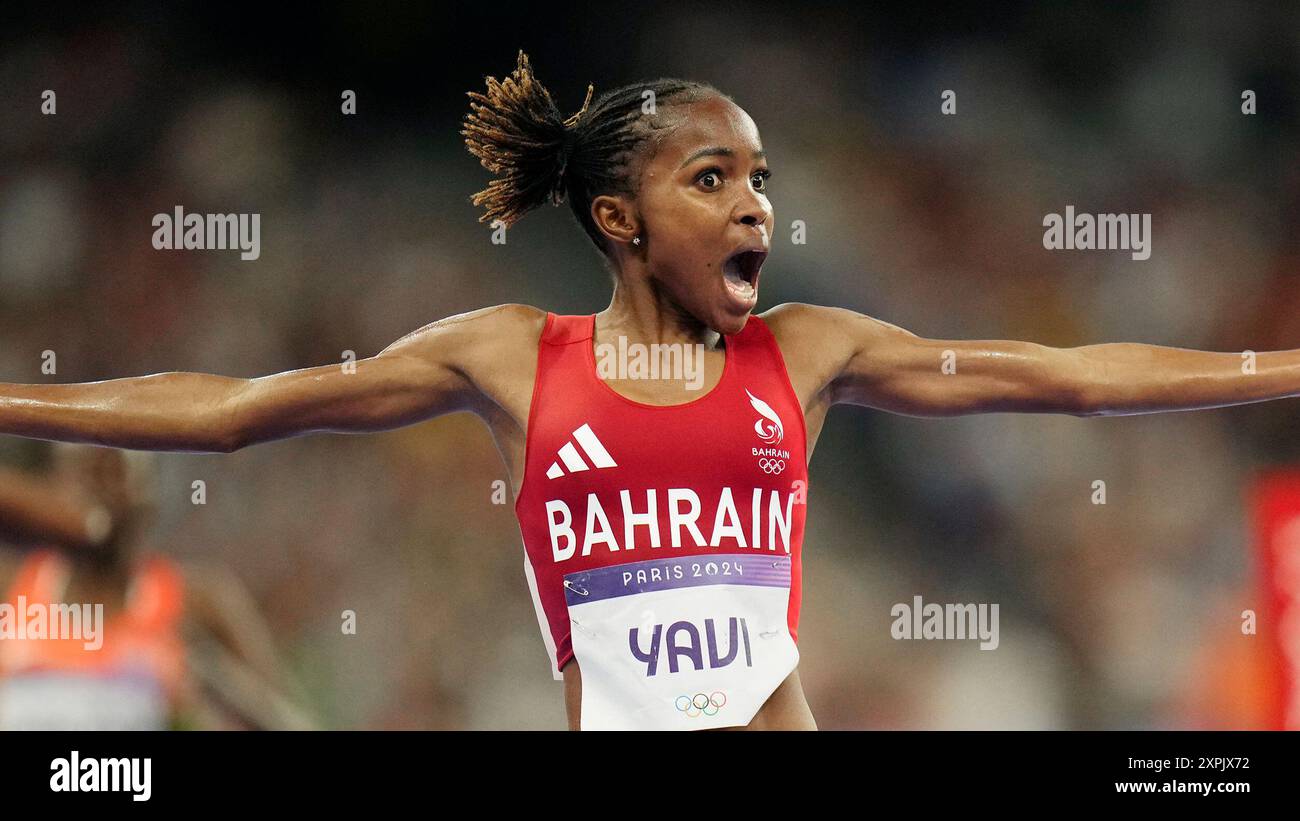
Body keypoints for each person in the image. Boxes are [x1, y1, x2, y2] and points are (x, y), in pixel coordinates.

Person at [3, 50, 1299, 730]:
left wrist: (1284, 368)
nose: (757, 208)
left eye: (761, 180)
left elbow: (1071, 381)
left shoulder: (806, 352)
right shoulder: (514, 356)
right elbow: (234, 409)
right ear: (619, 218)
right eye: (713, 180)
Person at [0, 445, 316, 730]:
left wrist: (219, 685)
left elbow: (291, 724)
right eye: (84, 477)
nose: (98, 497)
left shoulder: (197, 602)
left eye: (113, 474)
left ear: (147, 497)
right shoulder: (9, 588)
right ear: (51, 491)